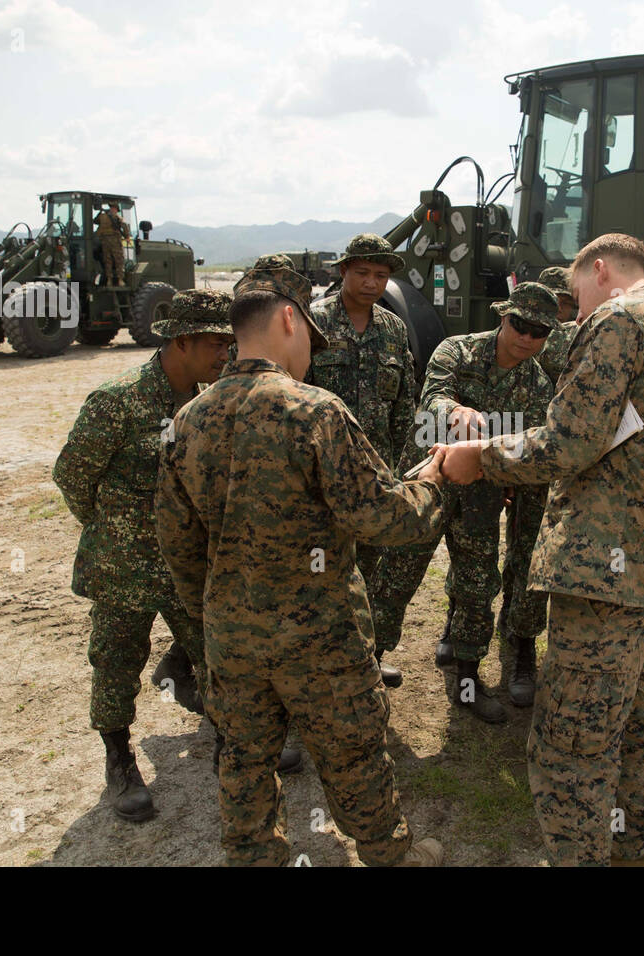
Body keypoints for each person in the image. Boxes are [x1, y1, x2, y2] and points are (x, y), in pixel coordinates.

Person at [155, 264, 445, 867]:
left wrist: (211, 614)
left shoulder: (186, 421)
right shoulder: (314, 411)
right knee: (352, 749)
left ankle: (257, 856)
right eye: (311, 335)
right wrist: (439, 482)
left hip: (231, 635)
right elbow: (381, 518)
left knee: (243, 755)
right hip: (321, 634)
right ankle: (389, 854)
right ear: (289, 319)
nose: (312, 351)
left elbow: (178, 546)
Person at [439, 233, 644, 866]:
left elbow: (568, 440)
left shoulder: (618, 318)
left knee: (569, 746)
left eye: (573, 300)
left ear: (598, 269)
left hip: (602, 570)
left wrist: (480, 458)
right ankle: (634, 846)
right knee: (631, 718)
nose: (572, 315)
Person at [52, 289, 239, 822]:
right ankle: (118, 758)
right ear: (180, 341)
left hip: (189, 566)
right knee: (115, 662)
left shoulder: (211, 403)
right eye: (215, 343)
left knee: (216, 653)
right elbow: (73, 477)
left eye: (230, 342)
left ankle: (232, 747)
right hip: (122, 569)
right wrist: (112, 529)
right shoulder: (118, 400)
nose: (225, 354)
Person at [369, 282, 559, 722]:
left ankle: (468, 683)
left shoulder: (538, 386)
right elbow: (431, 397)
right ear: (503, 317)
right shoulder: (457, 351)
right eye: (520, 325)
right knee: (394, 577)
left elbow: (527, 448)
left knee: (477, 585)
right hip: (427, 486)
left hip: (481, 495)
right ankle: (366, 665)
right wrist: (453, 412)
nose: (527, 338)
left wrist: (506, 473)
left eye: (540, 331)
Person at [307, 233, 416, 687]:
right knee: (316, 578)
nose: (372, 283)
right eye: (363, 273)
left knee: (368, 572)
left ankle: (363, 659)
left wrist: (403, 471)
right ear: (343, 272)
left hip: (375, 475)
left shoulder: (392, 329)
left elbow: (406, 405)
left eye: (381, 275)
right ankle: (310, 674)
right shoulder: (312, 324)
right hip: (317, 477)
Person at [534, 266, 579, 384]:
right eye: (552, 301)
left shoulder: (579, 337)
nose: (558, 308)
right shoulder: (517, 329)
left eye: (565, 303)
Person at [95, 202, 127, 286]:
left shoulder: (102, 216)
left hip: (105, 241)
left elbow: (95, 221)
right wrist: (127, 237)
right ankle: (120, 280)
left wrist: (101, 212)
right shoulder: (118, 217)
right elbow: (125, 226)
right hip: (115, 241)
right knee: (118, 260)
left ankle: (109, 280)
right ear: (116, 209)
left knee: (107, 260)